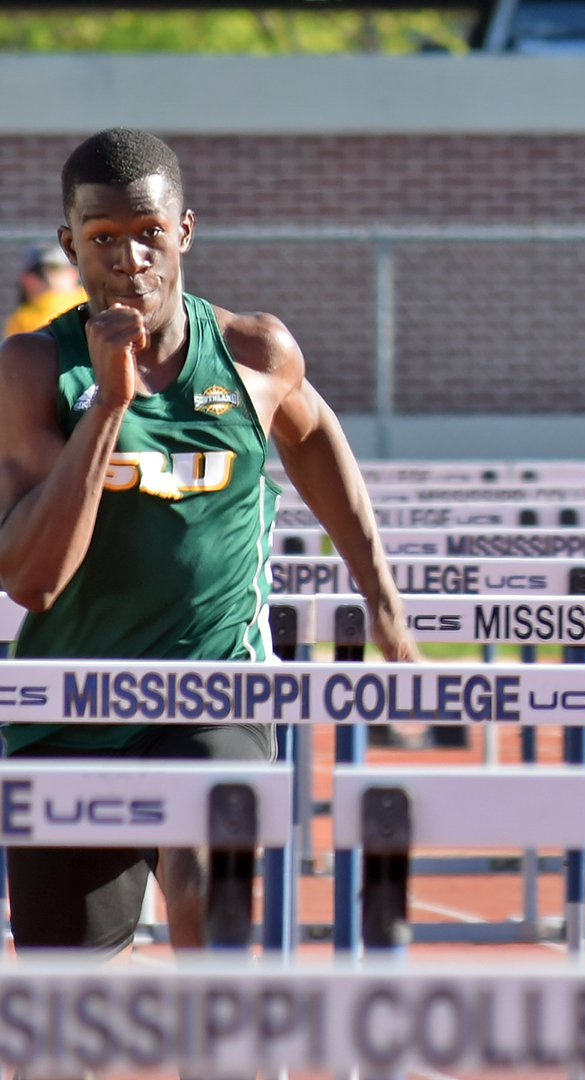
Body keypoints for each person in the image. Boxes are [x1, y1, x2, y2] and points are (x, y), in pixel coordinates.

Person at [0, 128, 419, 953]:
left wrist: (381, 598)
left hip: (214, 685)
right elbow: (33, 582)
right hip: (71, 703)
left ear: (184, 230)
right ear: (69, 243)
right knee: (60, 1012)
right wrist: (109, 408)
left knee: (205, 881)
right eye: (103, 240)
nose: (129, 261)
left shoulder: (254, 353)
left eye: (149, 233)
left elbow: (317, 444)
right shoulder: (32, 372)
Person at [5, 242, 88, 338]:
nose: (51, 278)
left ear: (74, 274)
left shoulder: (91, 301)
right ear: (27, 279)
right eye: (41, 272)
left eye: (57, 270)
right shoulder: (21, 318)